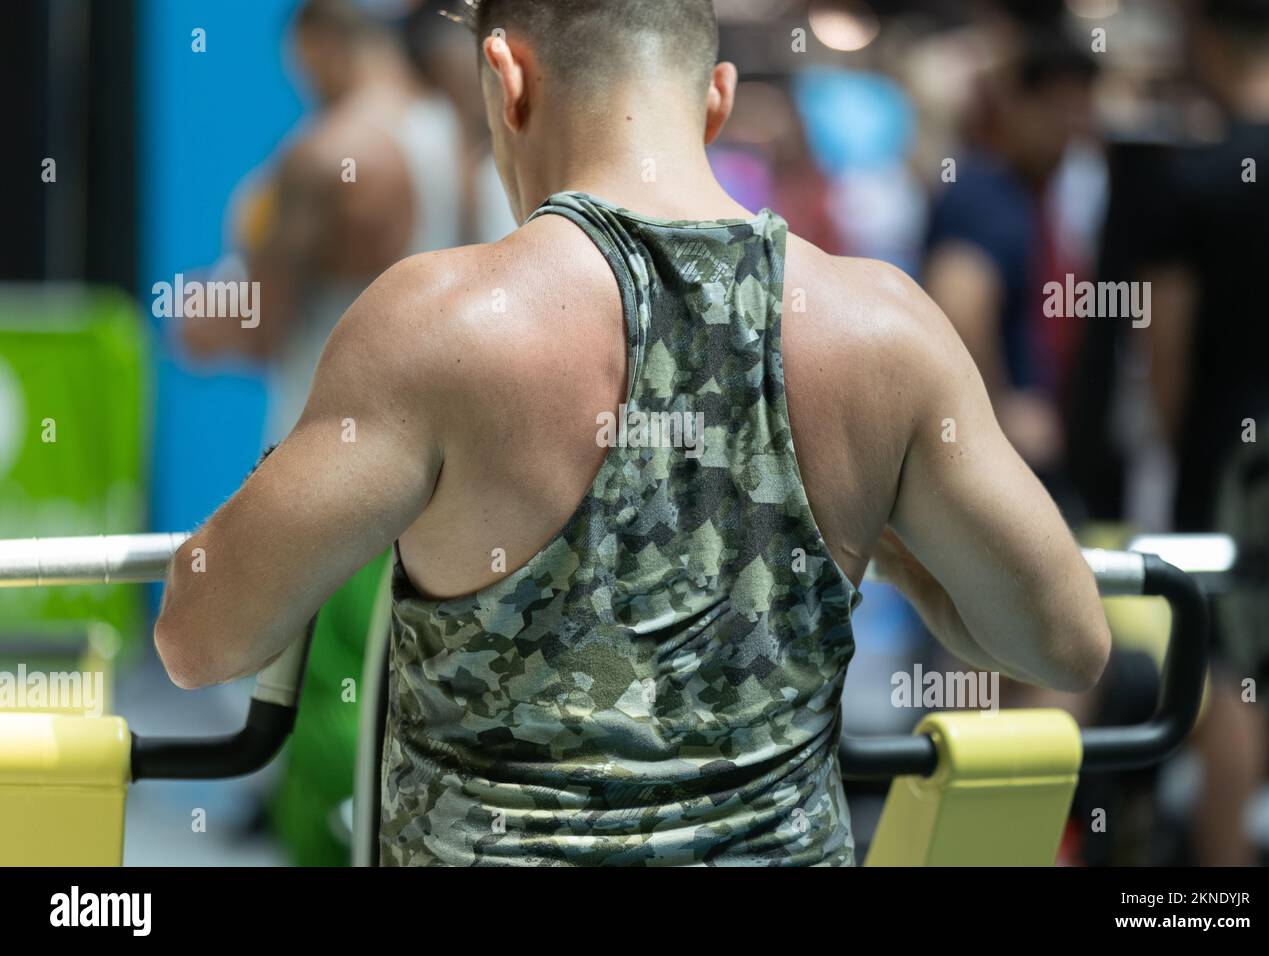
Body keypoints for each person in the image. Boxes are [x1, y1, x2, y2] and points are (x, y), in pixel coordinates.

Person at [154, 0, 1111, 867]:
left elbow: (198, 640)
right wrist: (895, 557)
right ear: (718, 98)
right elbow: (1066, 642)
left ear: (506, 75)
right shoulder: (884, 329)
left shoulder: (437, 326)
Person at [1143, 0, 1269, 866]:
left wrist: (1177, 447)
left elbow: (1165, 349)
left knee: (1232, 668)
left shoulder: (1195, 173)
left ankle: (1221, 887)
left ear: (1206, 38)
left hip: (1230, 454)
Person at [183, 0, 468, 444]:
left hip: (326, 454)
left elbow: (259, 327)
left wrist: (201, 312)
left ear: (316, 40)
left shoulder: (323, 157)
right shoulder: (460, 134)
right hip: (429, 449)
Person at [922, 26, 1099, 497]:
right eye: (1056, 107)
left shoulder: (1031, 194)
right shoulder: (986, 194)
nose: (1071, 126)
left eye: (1080, 106)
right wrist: (999, 415)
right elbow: (959, 300)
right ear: (1014, 106)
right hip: (1001, 461)